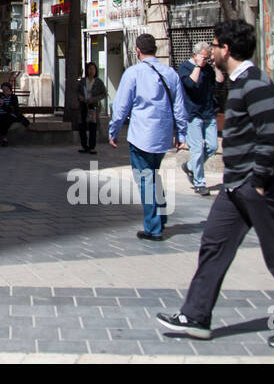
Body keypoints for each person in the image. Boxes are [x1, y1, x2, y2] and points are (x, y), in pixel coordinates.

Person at [158, 19, 274, 349]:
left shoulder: (255, 83)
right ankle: (196, 316)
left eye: (214, 44)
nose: (210, 50)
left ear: (226, 49)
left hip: (256, 183)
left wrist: (260, 180)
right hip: (235, 185)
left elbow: (271, 133)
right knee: (213, 243)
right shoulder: (239, 82)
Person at [107, 33, 188, 241]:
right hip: (162, 135)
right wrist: (181, 134)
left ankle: (154, 227)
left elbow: (121, 106)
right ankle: (160, 216)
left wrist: (113, 131)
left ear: (137, 50)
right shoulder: (170, 73)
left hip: (141, 134)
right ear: (156, 49)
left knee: (146, 180)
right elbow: (179, 107)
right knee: (153, 175)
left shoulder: (133, 73)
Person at [178, 41, 222, 196]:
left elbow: (219, 84)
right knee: (196, 150)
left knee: (212, 146)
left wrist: (216, 66)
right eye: (203, 57)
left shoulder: (208, 69)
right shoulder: (185, 68)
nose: (205, 61)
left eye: (207, 58)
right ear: (195, 55)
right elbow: (190, 84)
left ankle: (190, 166)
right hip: (193, 114)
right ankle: (199, 183)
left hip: (208, 112)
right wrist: (197, 66)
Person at [75, 62, 107, 155]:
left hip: (93, 106)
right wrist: (80, 97)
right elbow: (77, 91)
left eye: (93, 69)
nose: (91, 71)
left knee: (93, 125)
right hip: (83, 105)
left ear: (95, 70)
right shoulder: (83, 81)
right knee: (82, 126)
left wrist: (95, 99)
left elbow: (104, 93)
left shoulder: (98, 82)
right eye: (90, 69)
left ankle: (92, 146)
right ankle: (84, 146)